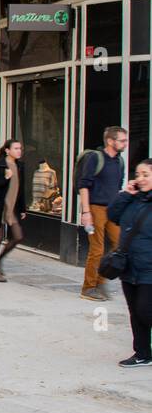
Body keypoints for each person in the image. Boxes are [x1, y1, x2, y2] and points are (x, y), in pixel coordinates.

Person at [107, 158, 152, 367]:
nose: (140, 179)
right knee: (135, 311)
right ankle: (142, 353)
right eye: (138, 175)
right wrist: (125, 194)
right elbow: (113, 215)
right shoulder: (132, 199)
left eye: (145, 175)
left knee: (145, 310)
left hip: (149, 267)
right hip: (128, 265)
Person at [77, 125, 128, 302]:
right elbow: (83, 185)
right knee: (97, 249)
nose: (125, 144)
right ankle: (88, 287)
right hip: (95, 208)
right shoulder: (95, 158)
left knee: (120, 245)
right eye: (122, 140)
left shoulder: (119, 162)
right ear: (110, 141)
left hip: (113, 209)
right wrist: (86, 212)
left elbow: (118, 186)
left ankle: (101, 282)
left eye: (125, 140)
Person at [0, 139, 27, 282]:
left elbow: (21, 189)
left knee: (18, 237)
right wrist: (5, 178)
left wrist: (22, 208)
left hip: (12, 208)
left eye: (20, 148)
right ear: (7, 151)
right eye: (16, 148)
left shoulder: (20, 166)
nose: (19, 151)